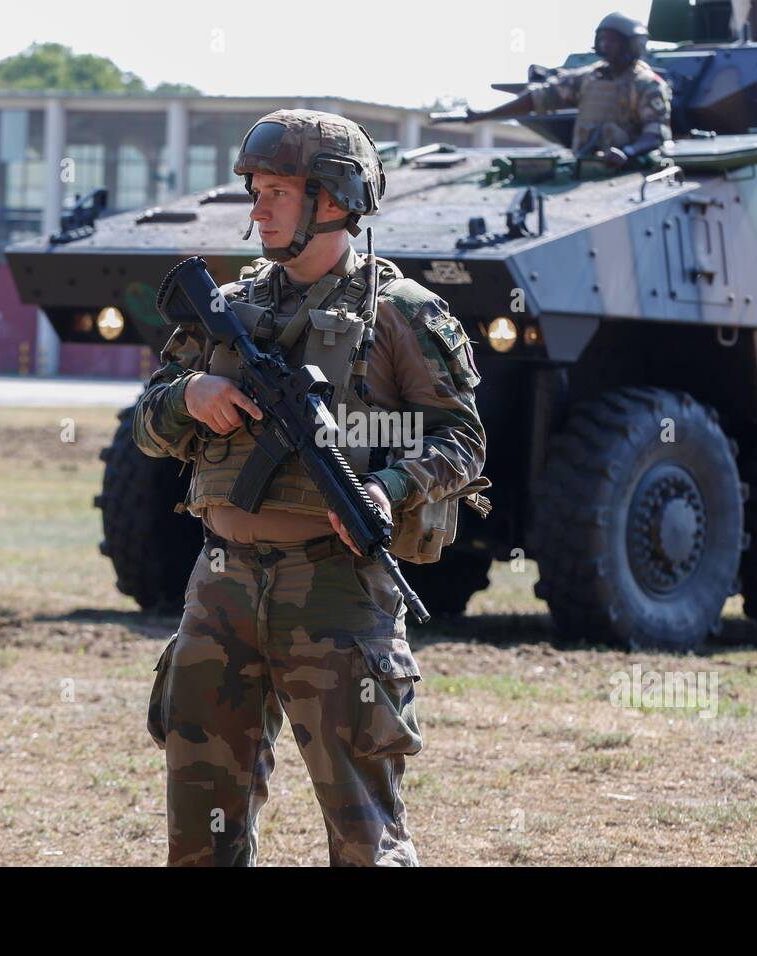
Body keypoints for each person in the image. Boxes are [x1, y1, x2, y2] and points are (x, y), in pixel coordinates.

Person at [132, 109, 490, 866]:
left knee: (365, 836)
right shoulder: (226, 308)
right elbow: (148, 425)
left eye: (277, 191)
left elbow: (462, 440)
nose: (257, 208)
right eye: (254, 190)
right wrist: (188, 395)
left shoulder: (400, 314)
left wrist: (388, 487)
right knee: (200, 836)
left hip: (336, 590)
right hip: (221, 584)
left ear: (333, 200)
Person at [451, 12, 671, 169]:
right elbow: (539, 99)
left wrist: (628, 152)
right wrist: (485, 115)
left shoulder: (646, 84)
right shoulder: (588, 78)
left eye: (612, 40)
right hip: (585, 165)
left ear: (631, 44)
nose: (605, 45)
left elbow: (655, 134)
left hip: (628, 168)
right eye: (602, 39)